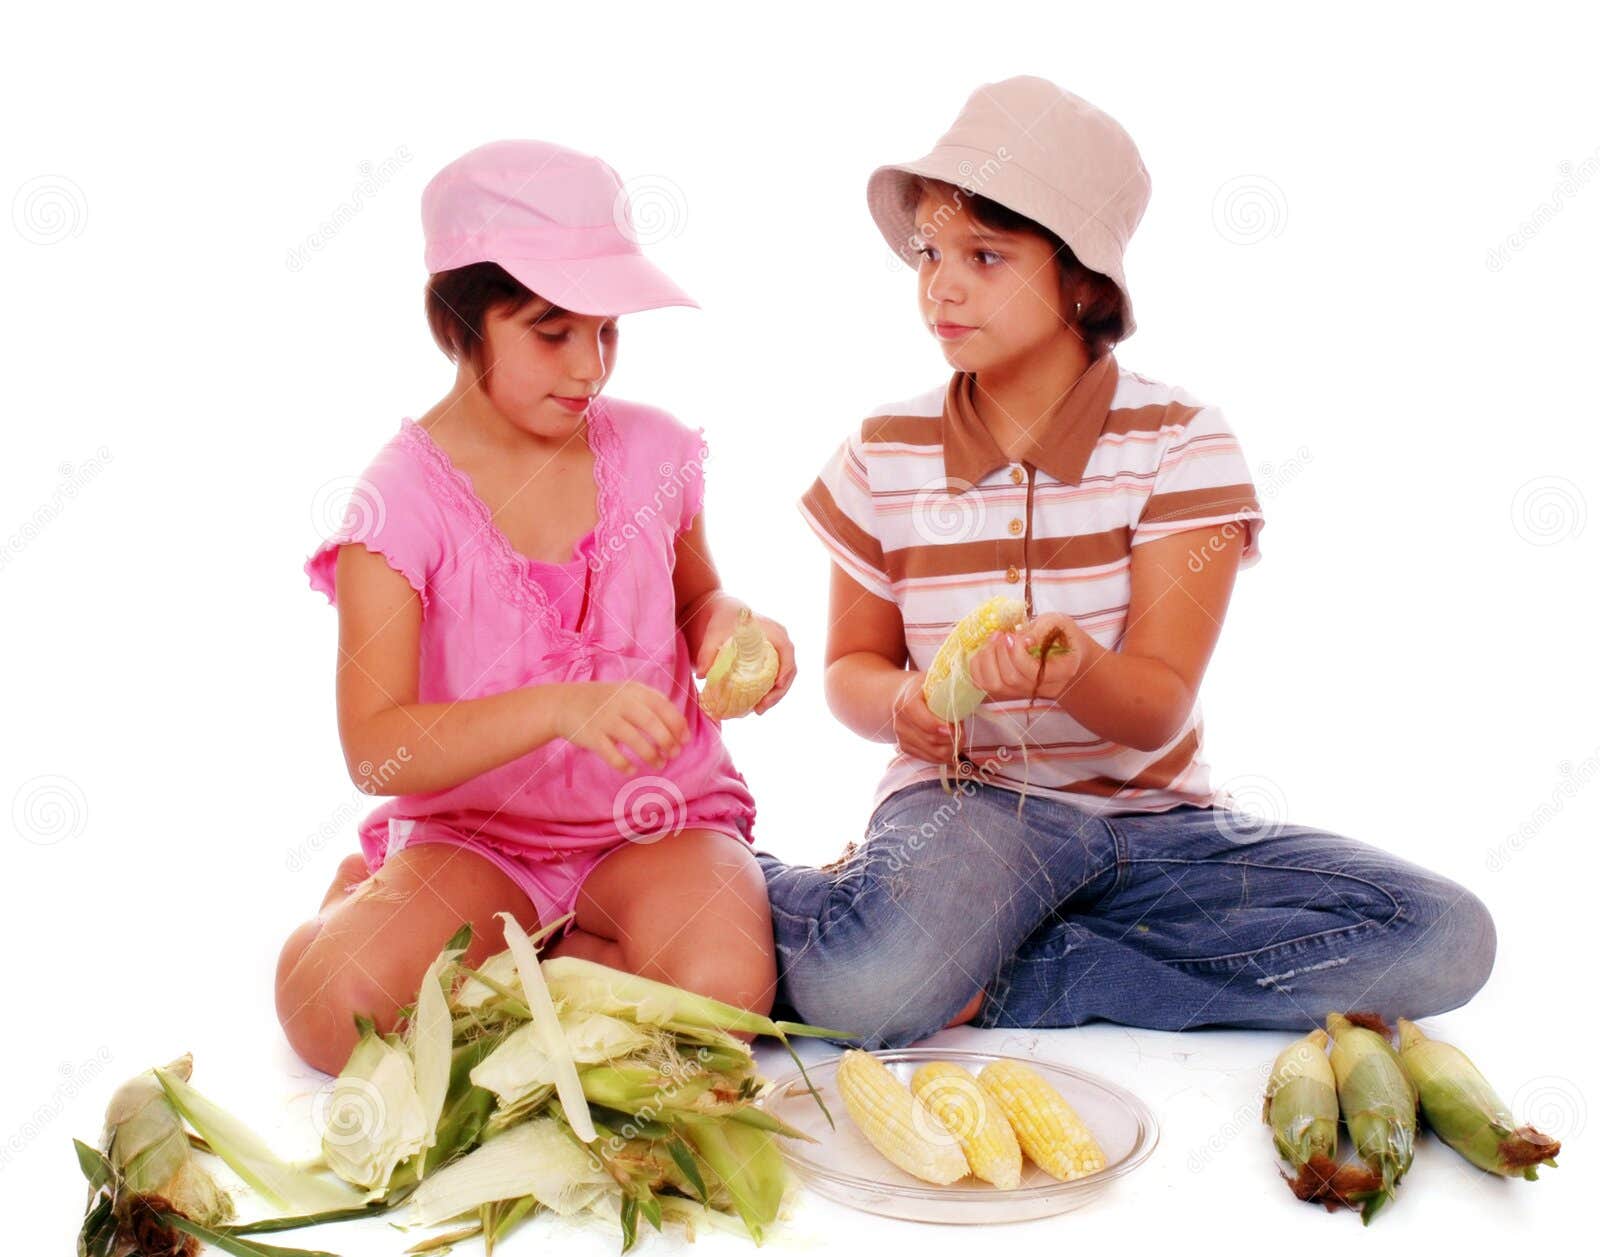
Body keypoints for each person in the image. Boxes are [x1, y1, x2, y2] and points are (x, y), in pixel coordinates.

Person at [754, 77, 1495, 1049]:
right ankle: (739, 874)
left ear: (1080, 281)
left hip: (1155, 827)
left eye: (985, 255)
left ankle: (1020, 968)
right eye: (930, 251)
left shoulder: (1180, 442)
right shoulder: (882, 452)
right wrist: (903, 706)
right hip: (971, 808)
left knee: (1443, 937)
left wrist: (1078, 669)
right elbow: (851, 667)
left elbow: (1155, 706)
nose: (940, 283)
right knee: (867, 996)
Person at [277, 140, 794, 1074]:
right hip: (480, 839)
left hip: (657, 821)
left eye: (607, 334)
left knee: (722, 1001)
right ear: (457, 324)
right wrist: (561, 707)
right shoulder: (397, 505)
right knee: (331, 1012)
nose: (589, 368)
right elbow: (375, 748)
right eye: (552, 333)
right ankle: (411, 907)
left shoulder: (653, 453)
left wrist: (731, 627)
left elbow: (697, 597)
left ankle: (544, 955)